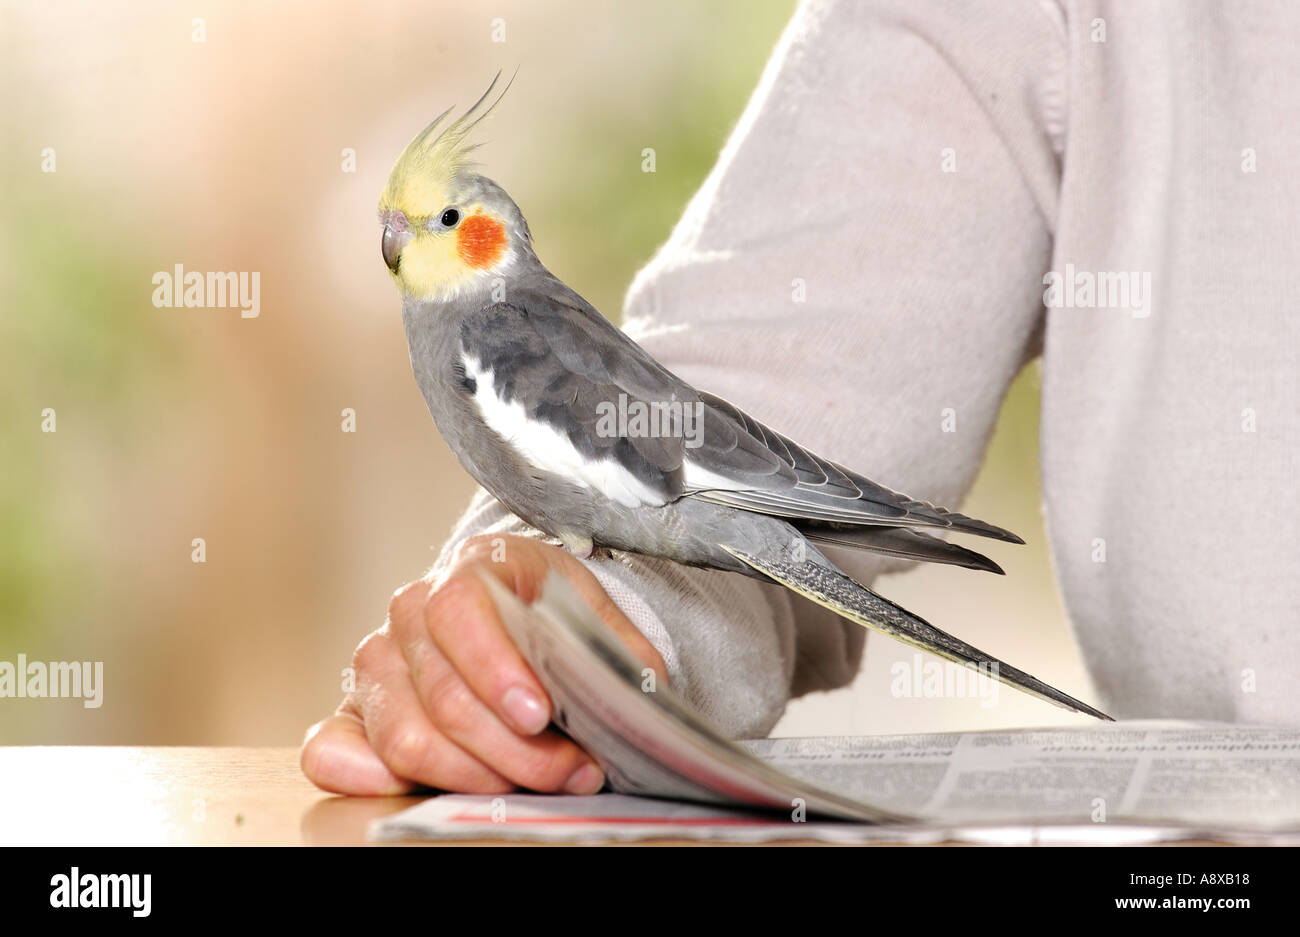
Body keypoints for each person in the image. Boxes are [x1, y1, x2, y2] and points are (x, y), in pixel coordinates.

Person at [301, 0, 1300, 795]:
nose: (398, 242)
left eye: (431, 221)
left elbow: (631, 435)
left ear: (484, 235)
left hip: (709, 488)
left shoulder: (490, 340)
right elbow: (754, 363)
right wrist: (564, 634)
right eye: (398, 224)